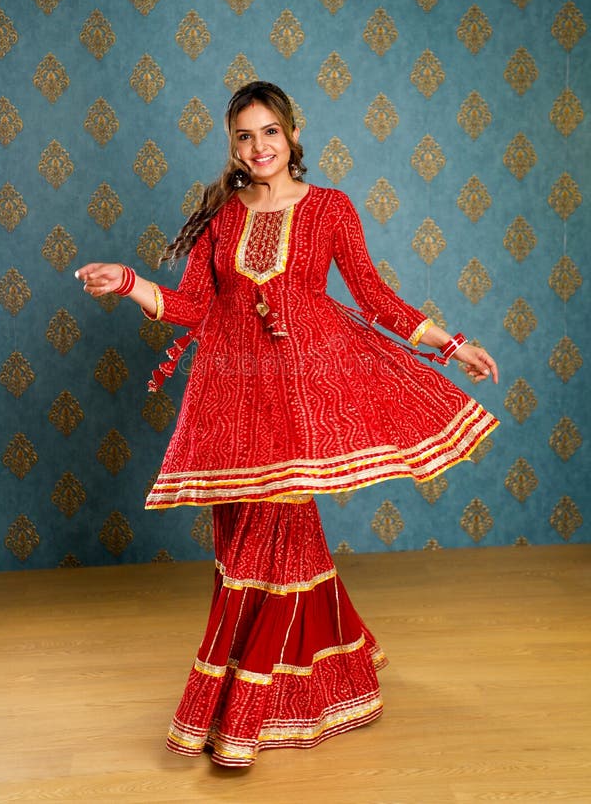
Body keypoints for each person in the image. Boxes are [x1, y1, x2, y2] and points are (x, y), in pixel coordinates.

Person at [76, 80, 499, 768]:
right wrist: (125, 281)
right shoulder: (219, 216)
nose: (259, 146)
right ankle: (337, 680)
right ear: (232, 147)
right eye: (244, 135)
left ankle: (233, 719)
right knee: (247, 544)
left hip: (302, 399)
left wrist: (450, 345)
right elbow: (189, 307)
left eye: (269, 131)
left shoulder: (330, 207)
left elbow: (373, 295)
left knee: (267, 546)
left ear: (293, 136)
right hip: (233, 400)